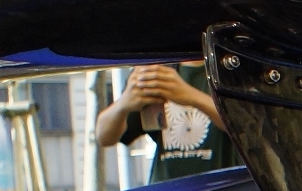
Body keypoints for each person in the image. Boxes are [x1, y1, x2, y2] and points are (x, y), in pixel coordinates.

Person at [95, 63, 239, 181]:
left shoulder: (230, 66)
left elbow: (246, 126)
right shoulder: (156, 70)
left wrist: (192, 97)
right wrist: (123, 104)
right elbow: (104, 137)